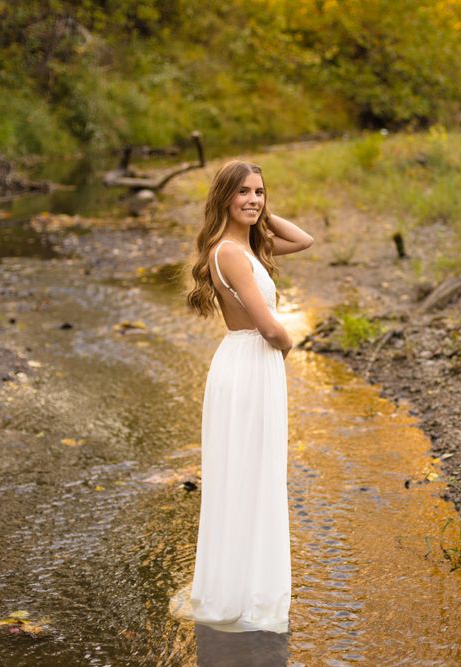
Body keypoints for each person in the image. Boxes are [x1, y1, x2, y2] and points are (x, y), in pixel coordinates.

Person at [173, 160, 313, 634]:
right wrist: (286, 347)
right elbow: (268, 326)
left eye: (260, 191)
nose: (253, 199)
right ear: (224, 198)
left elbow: (304, 240)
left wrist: (260, 215)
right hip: (251, 360)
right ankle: (241, 594)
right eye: (243, 192)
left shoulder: (245, 246)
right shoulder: (230, 253)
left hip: (245, 361)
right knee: (249, 474)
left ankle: (242, 585)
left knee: (251, 473)